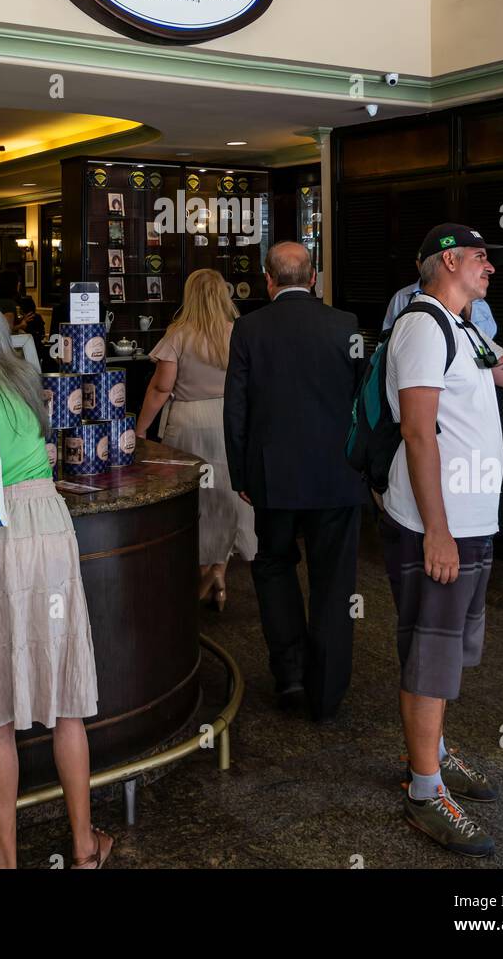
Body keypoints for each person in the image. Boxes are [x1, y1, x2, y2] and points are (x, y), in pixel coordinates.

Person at [380, 222, 503, 857]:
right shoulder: (422, 325)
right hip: (433, 524)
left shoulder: (463, 326)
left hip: (472, 522)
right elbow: (417, 433)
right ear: (445, 260)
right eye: (479, 256)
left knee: (450, 652)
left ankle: (434, 752)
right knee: (429, 656)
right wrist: (437, 531)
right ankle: (423, 790)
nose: (489, 266)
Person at [0, 301, 111, 870]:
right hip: (49, 526)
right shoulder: (28, 380)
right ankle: (83, 847)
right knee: (66, 699)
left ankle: (4, 863)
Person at [223, 241, 368, 720]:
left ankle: (289, 677)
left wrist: (241, 472)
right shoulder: (344, 325)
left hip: (273, 475)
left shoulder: (249, 328)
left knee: (274, 568)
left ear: (269, 280)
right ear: (312, 279)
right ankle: (327, 695)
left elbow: (237, 407)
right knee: (334, 584)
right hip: (336, 476)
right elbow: (360, 404)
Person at [135, 269, 253, 610]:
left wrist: (141, 428)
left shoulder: (179, 334)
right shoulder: (239, 333)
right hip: (230, 421)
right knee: (229, 497)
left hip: (188, 423)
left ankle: (202, 571)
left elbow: (161, 388)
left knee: (194, 498)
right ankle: (219, 570)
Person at [383, 253, 498, 337]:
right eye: (425, 263)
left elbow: (487, 339)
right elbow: (387, 336)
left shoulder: (476, 300)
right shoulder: (402, 296)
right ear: (418, 265)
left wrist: (467, 306)